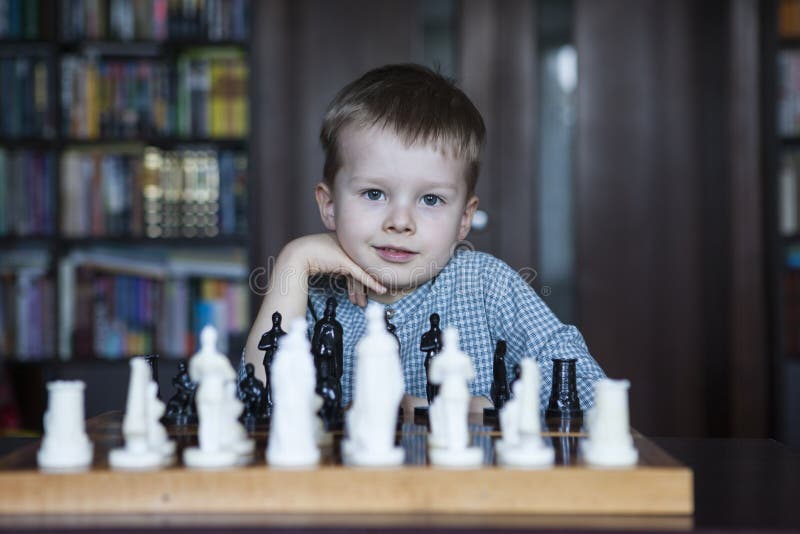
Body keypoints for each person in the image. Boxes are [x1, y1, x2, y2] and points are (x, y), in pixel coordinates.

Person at [243, 63, 605, 415]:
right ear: (330, 206)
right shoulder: (313, 297)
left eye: (430, 199)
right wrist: (296, 258)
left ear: (464, 219)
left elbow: (592, 396)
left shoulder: (489, 287)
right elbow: (252, 407)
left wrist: (493, 412)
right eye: (373, 194)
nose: (400, 222)